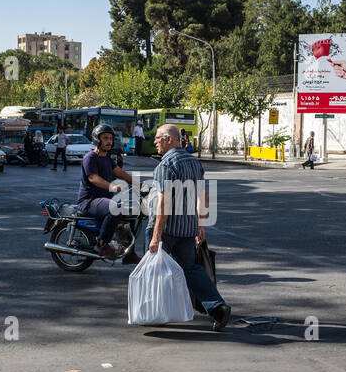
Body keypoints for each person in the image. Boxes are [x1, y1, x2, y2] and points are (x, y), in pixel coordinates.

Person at [148, 124, 231, 330]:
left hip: (166, 230)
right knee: (191, 269)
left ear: (169, 139)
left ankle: (157, 311)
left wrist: (156, 236)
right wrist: (200, 224)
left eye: (158, 138)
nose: (155, 142)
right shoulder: (194, 162)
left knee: (156, 269)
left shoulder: (166, 165)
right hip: (187, 227)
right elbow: (202, 195)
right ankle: (218, 307)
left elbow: (163, 204)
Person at [77, 125, 140, 260]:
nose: (109, 141)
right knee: (115, 208)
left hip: (103, 200)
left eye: (111, 138)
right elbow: (93, 178)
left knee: (131, 213)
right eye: (105, 138)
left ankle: (128, 251)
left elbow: (120, 173)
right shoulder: (90, 157)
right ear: (97, 139)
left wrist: (140, 184)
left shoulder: (107, 158)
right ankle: (101, 243)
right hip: (89, 201)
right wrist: (113, 187)